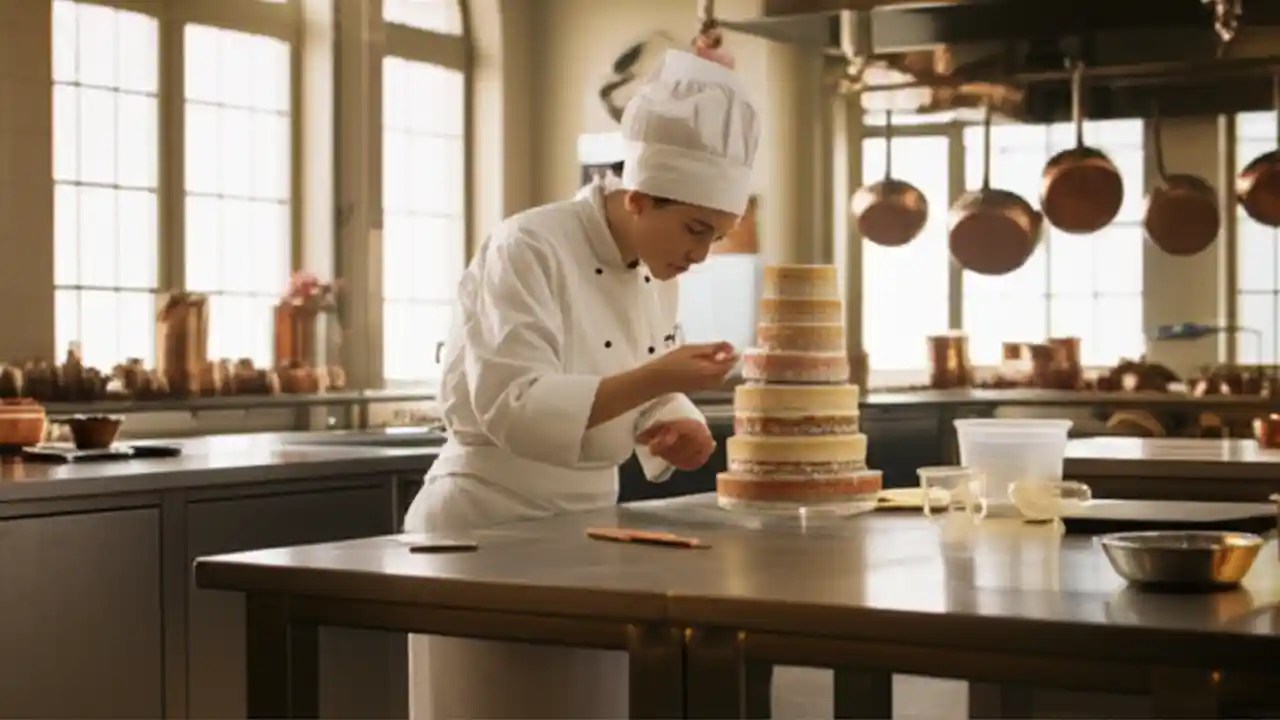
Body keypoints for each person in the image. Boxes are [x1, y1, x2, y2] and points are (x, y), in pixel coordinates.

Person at [403, 47, 761, 719]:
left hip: (589, 534)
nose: (700, 254)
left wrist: (670, 420)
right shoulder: (528, 247)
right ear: (638, 197)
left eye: (715, 236)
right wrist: (659, 377)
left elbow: (639, 376)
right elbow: (513, 404)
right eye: (694, 230)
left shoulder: (657, 271)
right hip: (489, 527)